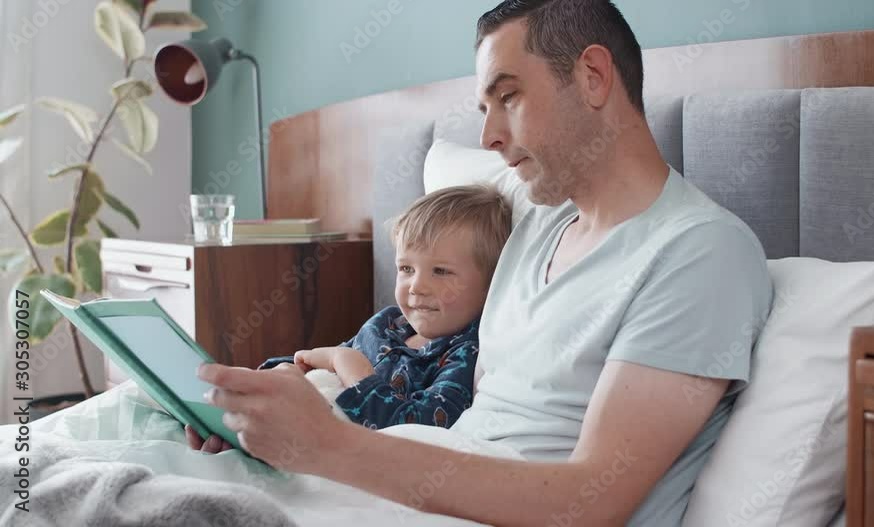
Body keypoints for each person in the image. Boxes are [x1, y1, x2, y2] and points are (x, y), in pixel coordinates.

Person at [192, 1, 773, 525]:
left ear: (593, 77)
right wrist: (266, 419)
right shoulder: (538, 220)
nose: (490, 136)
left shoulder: (699, 252)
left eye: (509, 97)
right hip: (430, 482)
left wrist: (323, 445)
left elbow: (593, 499)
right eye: (484, 106)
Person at [192, 185, 512, 446]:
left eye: (441, 271)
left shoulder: (465, 354)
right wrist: (272, 375)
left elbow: (418, 431)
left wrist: (353, 369)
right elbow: (316, 365)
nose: (417, 286)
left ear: (491, 283)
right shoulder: (387, 325)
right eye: (405, 268)